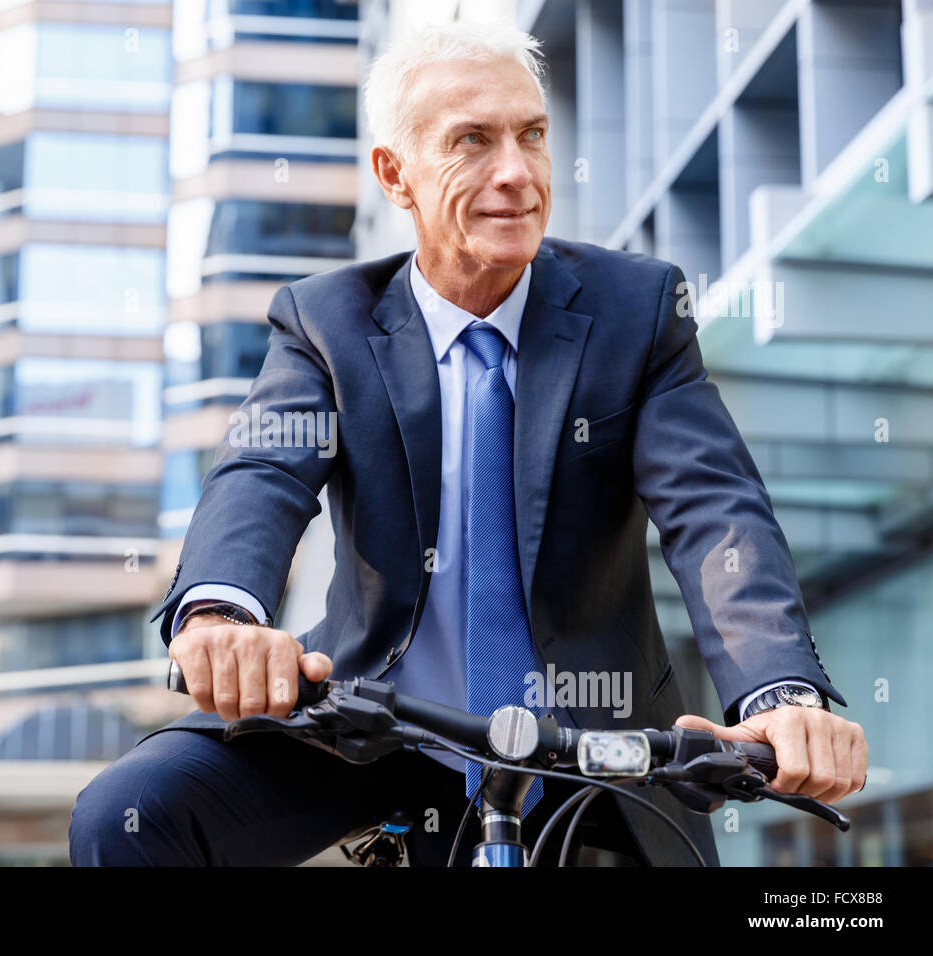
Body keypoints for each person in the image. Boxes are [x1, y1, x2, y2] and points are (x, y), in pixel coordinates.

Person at [69, 19, 867, 867]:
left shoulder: (638, 311)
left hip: (593, 746)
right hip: (375, 728)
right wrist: (223, 615)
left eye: (531, 135)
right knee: (129, 814)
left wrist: (782, 693)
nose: (516, 173)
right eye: (472, 142)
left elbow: (716, 511)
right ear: (395, 174)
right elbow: (263, 471)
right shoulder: (325, 322)